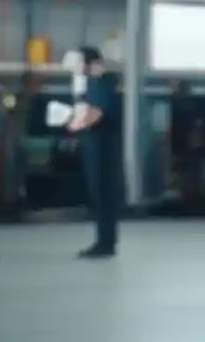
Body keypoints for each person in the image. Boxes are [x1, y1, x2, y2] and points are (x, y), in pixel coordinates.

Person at [67, 45, 122, 259]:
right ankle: (103, 240)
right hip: (94, 147)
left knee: (104, 195)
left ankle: (106, 243)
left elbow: (97, 114)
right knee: (98, 197)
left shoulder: (104, 83)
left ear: (90, 63)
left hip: (104, 151)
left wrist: (78, 121)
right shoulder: (90, 85)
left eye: (79, 62)